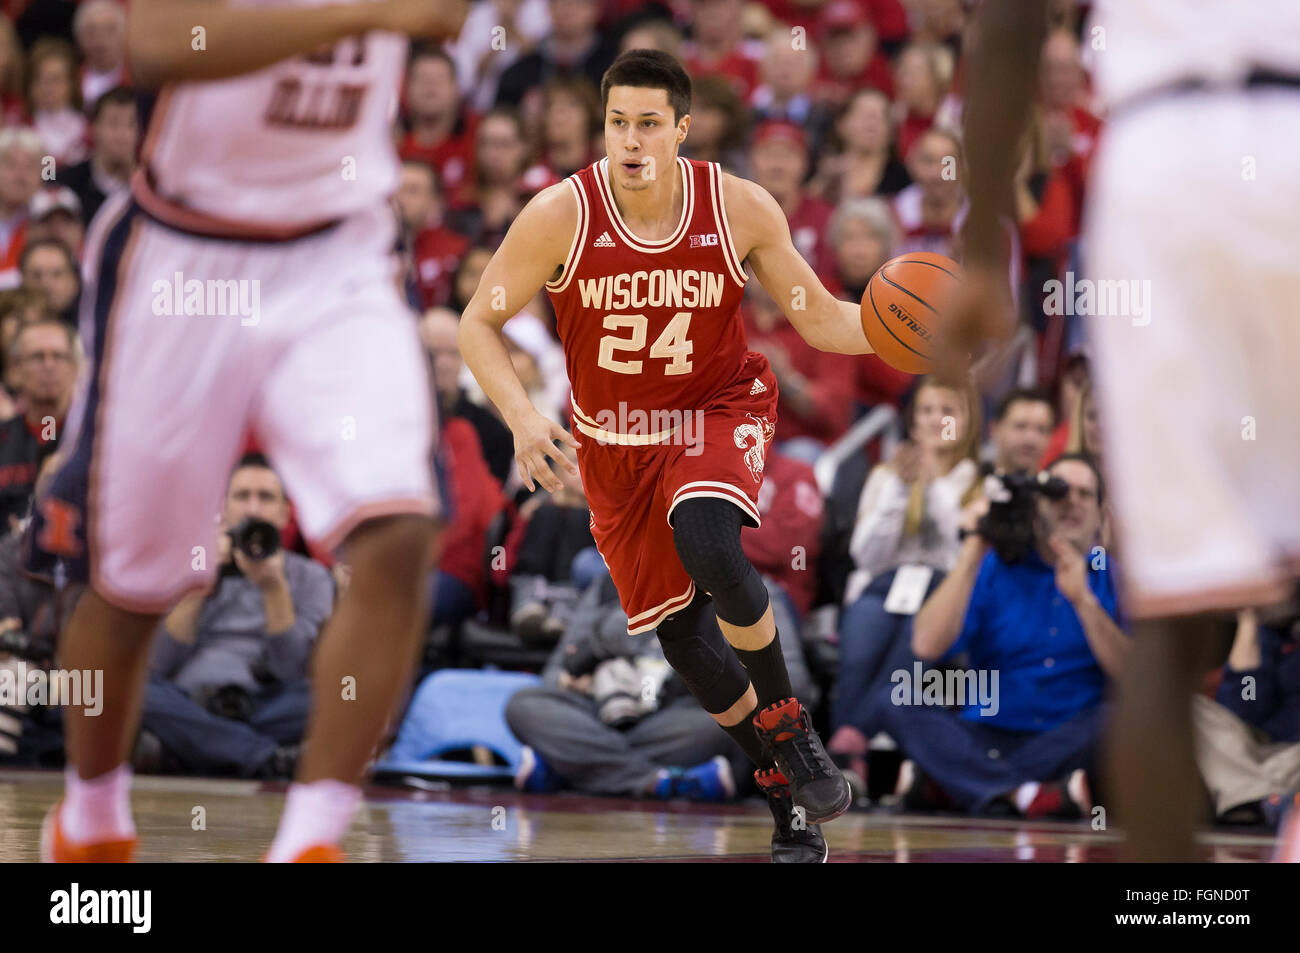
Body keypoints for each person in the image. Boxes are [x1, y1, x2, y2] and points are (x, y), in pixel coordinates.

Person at [27, 0, 467, 865]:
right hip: (183, 255)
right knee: (129, 584)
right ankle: (91, 818)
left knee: (401, 524)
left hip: (340, 251)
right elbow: (158, 43)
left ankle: (310, 841)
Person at [459, 49, 875, 862]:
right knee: (685, 639)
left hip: (712, 412)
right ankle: (782, 788)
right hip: (613, 447)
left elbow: (822, 318)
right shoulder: (559, 214)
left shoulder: (739, 206)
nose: (632, 140)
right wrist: (521, 415)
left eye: (650, 123)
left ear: (683, 130)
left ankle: (793, 729)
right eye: (618, 123)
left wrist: (914, 332)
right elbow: (478, 321)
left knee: (711, 540)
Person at [942, 0, 1300, 861]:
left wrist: (985, 252)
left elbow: (1009, 24)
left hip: (1162, 160)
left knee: (1170, 620)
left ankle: (1175, 909)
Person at [895, 453, 1125, 817]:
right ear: (1036, 505)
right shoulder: (994, 564)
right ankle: (1028, 795)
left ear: (1101, 514)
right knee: (898, 696)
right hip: (986, 731)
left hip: (1066, 736)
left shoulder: (1111, 576)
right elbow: (926, 645)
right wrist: (973, 548)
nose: (1072, 503)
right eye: (1059, 493)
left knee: (1119, 715)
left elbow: (1131, 676)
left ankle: (958, 785)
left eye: (1085, 494)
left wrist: (1084, 601)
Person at [141, 454, 334, 779]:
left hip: (267, 704)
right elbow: (160, 661)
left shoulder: (312, 578)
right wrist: (198, 587)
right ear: (223, 509)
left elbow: (290, 669)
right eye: (242, 497)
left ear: (286, 513)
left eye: (266, 498)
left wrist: (274, 589)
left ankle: (201, 749)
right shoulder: (189, 564)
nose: (253, 509)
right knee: (135, 689)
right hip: (190, 699)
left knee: (335, 695)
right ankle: (267, 758)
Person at [0, 317, 76, 528]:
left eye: (59, 356)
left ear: (73, 366)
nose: (49, 366)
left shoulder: (96, 438)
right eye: (37, 357)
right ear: (15, 368)